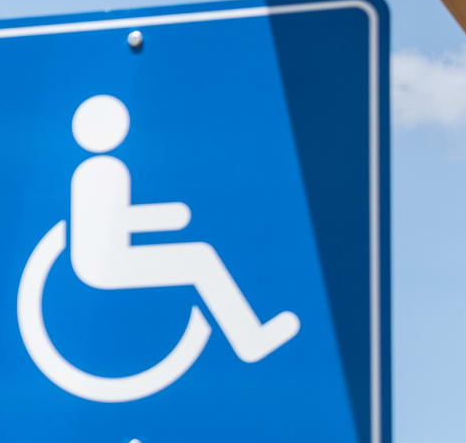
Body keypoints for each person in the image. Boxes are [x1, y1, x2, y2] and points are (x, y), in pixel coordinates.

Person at [62, 93, 298, 363]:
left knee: (199, 257)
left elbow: (118, 223)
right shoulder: (104, 172)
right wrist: (173, 216)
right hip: (106, 264)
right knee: (199, 259)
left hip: (112, 256)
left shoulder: (99, 170)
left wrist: (171, 217)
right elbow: (114, 224)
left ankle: (250, 336)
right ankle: (249, 339)